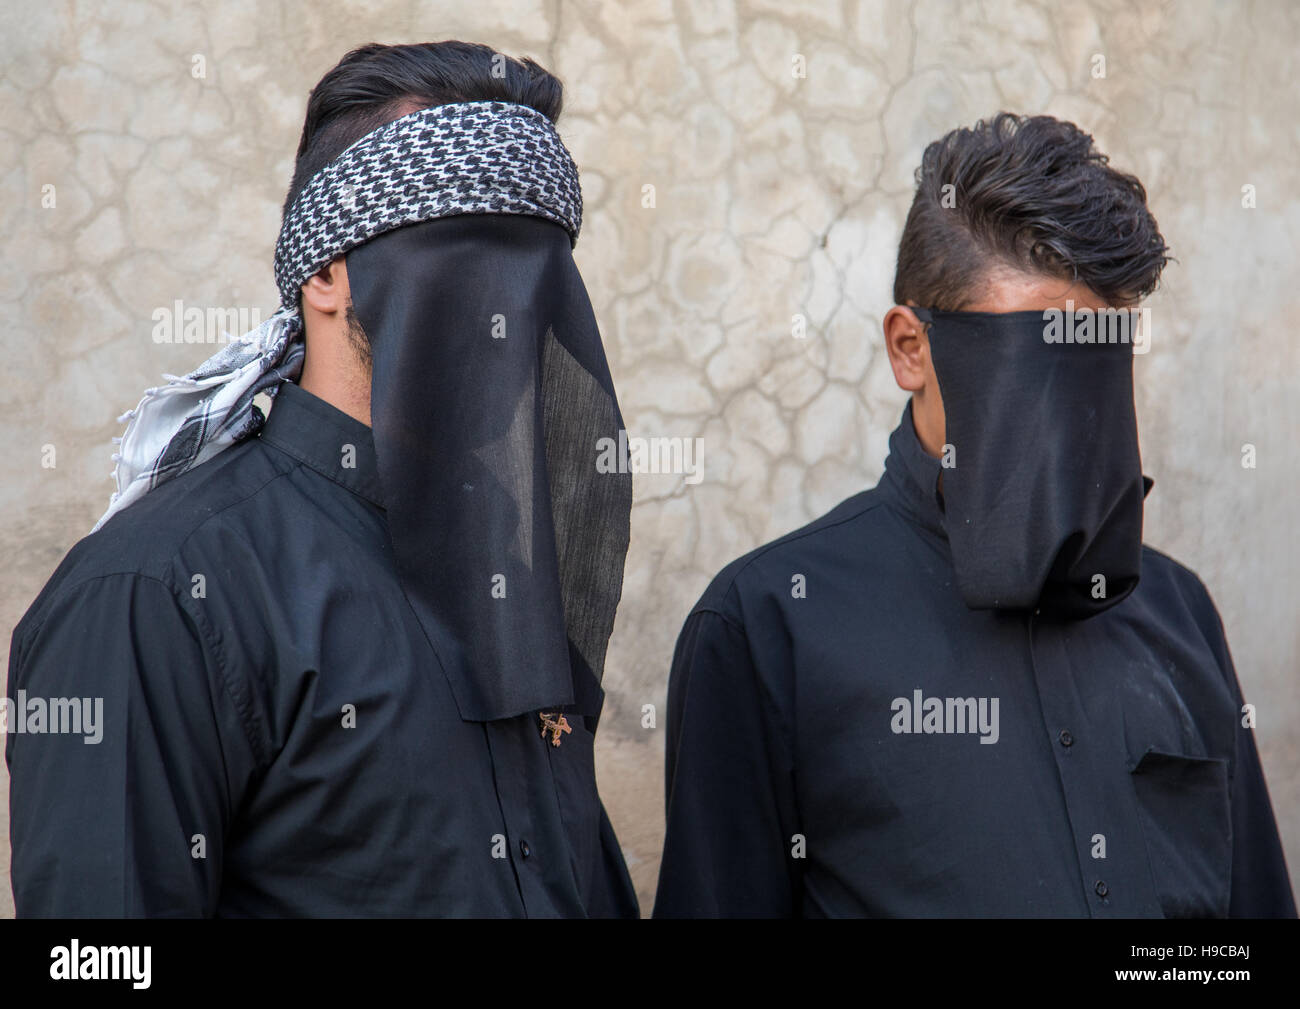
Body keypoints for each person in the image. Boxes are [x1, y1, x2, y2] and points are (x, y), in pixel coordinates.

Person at [7, 41, 638, 917]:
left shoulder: (514, 577)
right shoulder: (156, 593)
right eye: (469, 252)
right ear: (327, 274)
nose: (514, 305)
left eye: (539, 265)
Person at [653, 113, 1296, 918]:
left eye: (1099, 358)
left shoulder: (1181, 613)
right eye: (1035, 358)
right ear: (909, 348)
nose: (1071, 410)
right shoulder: (766, 626)